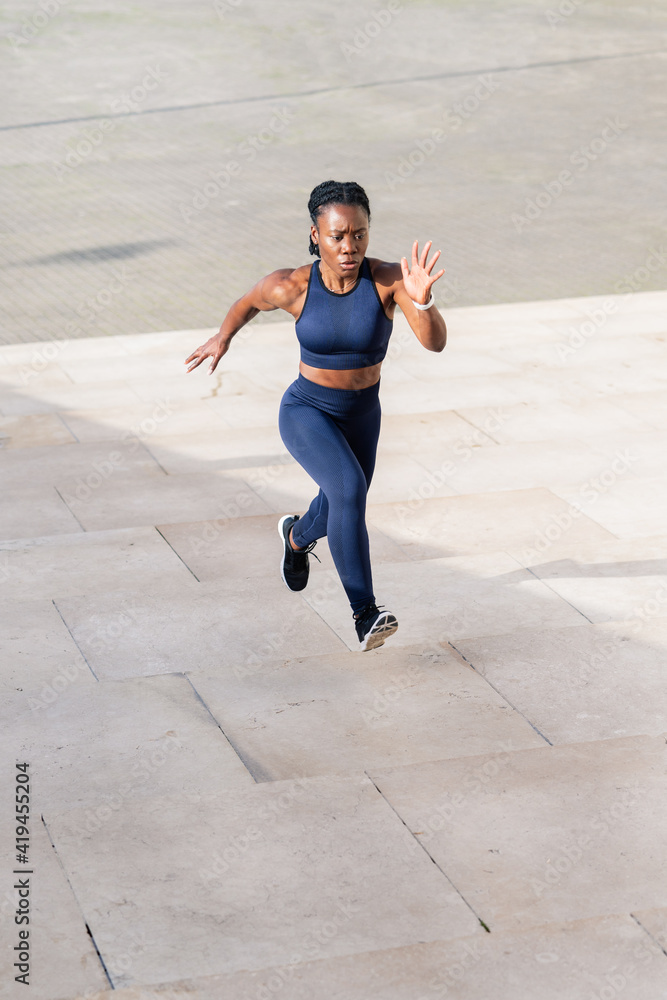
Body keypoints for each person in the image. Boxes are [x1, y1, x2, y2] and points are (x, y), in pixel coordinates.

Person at [185, 180, 447, 651]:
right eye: (338, 236)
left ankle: (296, 537)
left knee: (340, 499)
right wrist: (222, 337)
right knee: (349, 490)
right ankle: (366, 613)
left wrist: (423, 300)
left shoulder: (389, 281)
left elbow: (435, 343)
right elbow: (247, 302)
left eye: (360, 234)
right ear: (315, 235)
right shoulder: (291, 286)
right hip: (307, 410)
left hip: (364, 415)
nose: (350, 247)